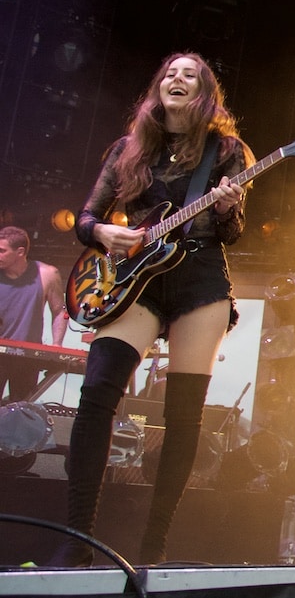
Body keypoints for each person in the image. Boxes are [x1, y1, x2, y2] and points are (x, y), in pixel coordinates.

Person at [52, 52, 252, 567]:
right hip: (133, 278)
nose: (176, 79)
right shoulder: (128, 149)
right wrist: (100, 231)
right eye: (169, 73)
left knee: (183, 416)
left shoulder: (227, 150)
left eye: (190, 74)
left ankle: (154, 546)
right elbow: (87, 218)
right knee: (97, 392)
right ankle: (78, 540)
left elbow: (231, 232)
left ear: (205, 91)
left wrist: (228, 207)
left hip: (200, 280)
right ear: (158, 88)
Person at [0, 226, 68, 402]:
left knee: (21, 410)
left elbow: (59, 311)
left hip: (27, 356)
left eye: (2, 251)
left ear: (20, 252)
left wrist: (56, 345)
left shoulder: (47, 274)